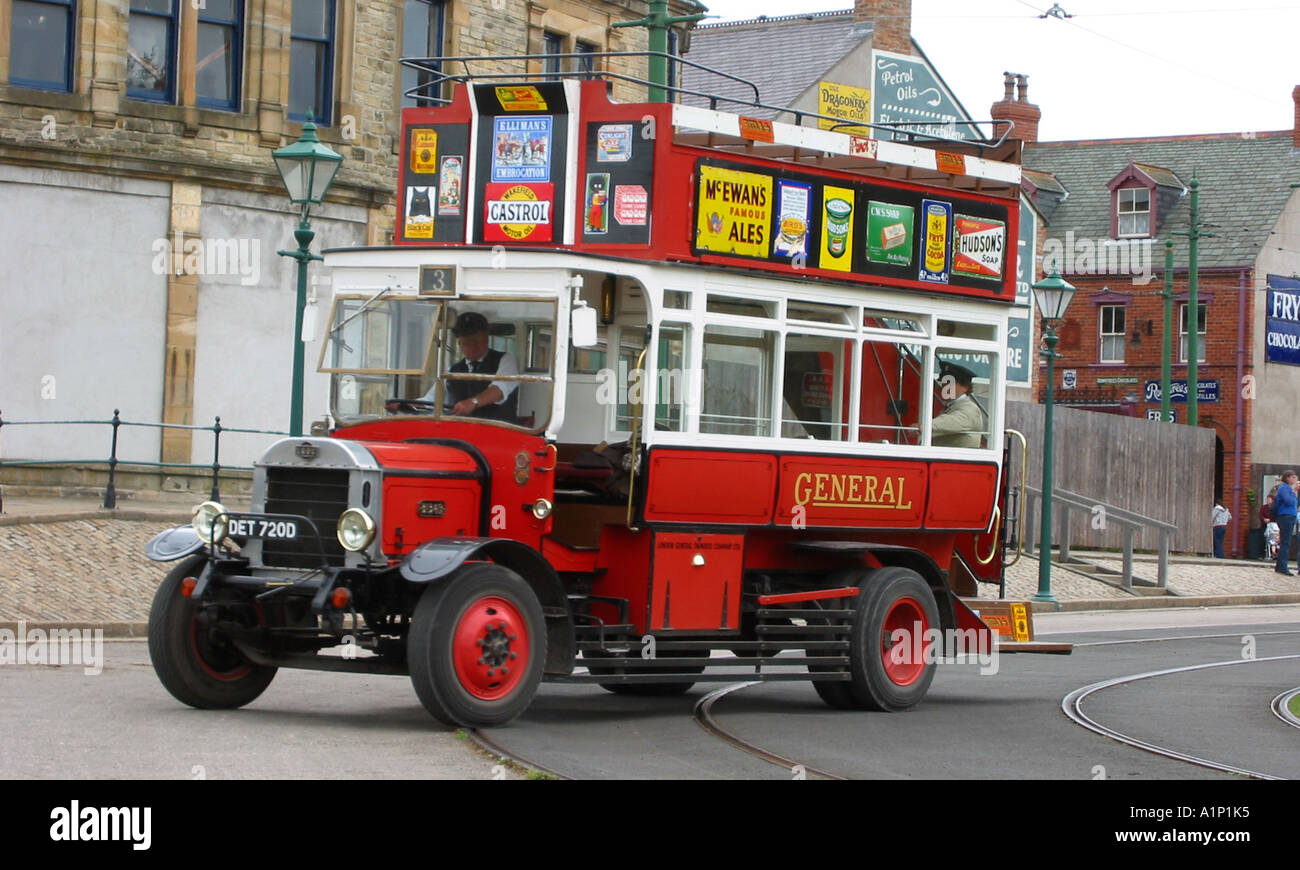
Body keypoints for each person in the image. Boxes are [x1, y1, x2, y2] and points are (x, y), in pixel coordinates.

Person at [931, 362, 985, 448]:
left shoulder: (970, 409)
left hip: (960, 460)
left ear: (965, 387)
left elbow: (952, 421)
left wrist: (927, 425)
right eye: (943, 383)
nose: (944, 387)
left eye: (949, 383)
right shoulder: (951, 407)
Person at [1273, 471, 1298, 575]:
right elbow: (1289, 501)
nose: (1294, 480)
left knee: (1286, 542)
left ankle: (1279, 566)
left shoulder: (1288, 489)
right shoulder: (1284, 488)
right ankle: (1283, 566)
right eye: (1293, 477)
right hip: (1285, 517)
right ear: (1287, 478)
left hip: (1290, 516)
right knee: (1285, 542)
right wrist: (1294, 491)